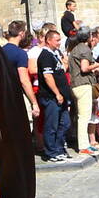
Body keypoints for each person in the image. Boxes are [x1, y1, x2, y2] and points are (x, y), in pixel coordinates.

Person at [36, 29, 72, 162]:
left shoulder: (54, 54)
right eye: (57, 40)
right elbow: (47, 76)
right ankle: (51, 152)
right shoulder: (45, 56)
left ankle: (58, 148)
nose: (59, 43)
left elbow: (60, 72)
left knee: (65, 123)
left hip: (61, 97)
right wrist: (57, 93)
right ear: (49, 40)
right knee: (51, 125)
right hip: (51, 97)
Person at [0, 21, 38, 133]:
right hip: (18, 95)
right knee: (24, 129)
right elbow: (24, 80)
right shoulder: (20, 54)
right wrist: (34, 102)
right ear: (21, 33)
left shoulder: (0, 51)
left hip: (3, 94)